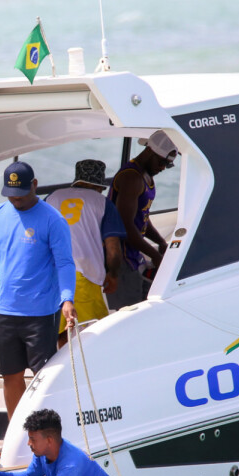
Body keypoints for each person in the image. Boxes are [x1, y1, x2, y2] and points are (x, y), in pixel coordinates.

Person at [0, 161, 77, 418]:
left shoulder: (54, 219)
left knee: (43, 378)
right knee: (10, 376)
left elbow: (65, 262)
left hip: (41, 312)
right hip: (7, 311)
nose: (15, 199)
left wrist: (67, 300)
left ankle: (46, 433)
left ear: (35, 185)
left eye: (20, 193)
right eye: (10, 193)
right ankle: (16, 436)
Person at [45, 159, 127, 333]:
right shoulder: (102, 202)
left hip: (50, 275)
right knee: (90, 335)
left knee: (58, 335)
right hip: (82, 277)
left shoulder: (52, 198)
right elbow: (113, 249)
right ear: (98, 186)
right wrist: (112, 275)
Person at [106, 131, 178, 309]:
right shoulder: (132, 178)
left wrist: (160, 242)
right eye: (162, 163)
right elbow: (125, 227)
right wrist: (155, 255)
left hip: (133, 253)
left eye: (168, 165)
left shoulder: (146, 176)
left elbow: (142, 217)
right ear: (150, 152)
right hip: (121, 256)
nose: (162, 168)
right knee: (127, 313)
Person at [0, 408, 119, 476]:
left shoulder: (72, 464)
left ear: (49, 440)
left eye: (32, 439)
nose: (28, 443)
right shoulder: (41, 453)